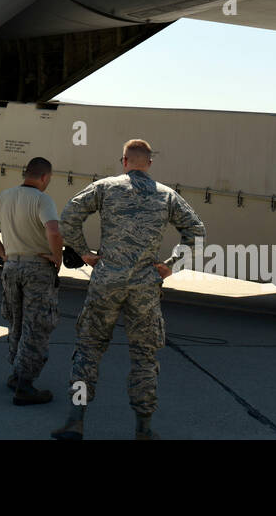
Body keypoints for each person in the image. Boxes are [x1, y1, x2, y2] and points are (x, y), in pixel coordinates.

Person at [51, 138, 205, 440]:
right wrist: (171, 263)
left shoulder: (106, 187)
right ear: (149, 163)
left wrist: (84, 252)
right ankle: (144, 428)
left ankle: (75, 421)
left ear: (124, 161)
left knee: (89, 349)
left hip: (106, 279)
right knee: (144, 356)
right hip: (145, 285)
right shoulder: (167, 195)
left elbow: (69, 216)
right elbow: (196, 232)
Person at [0, 156, 64, 406]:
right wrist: (57, 257)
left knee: (16, 321)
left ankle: (16, 374)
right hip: (37, 268)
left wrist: (3, 253)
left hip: (12, 267)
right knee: (36, 325)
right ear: (45, 177)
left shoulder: (4, 196)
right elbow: (53, 230)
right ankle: (25, 386)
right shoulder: (42, 199)